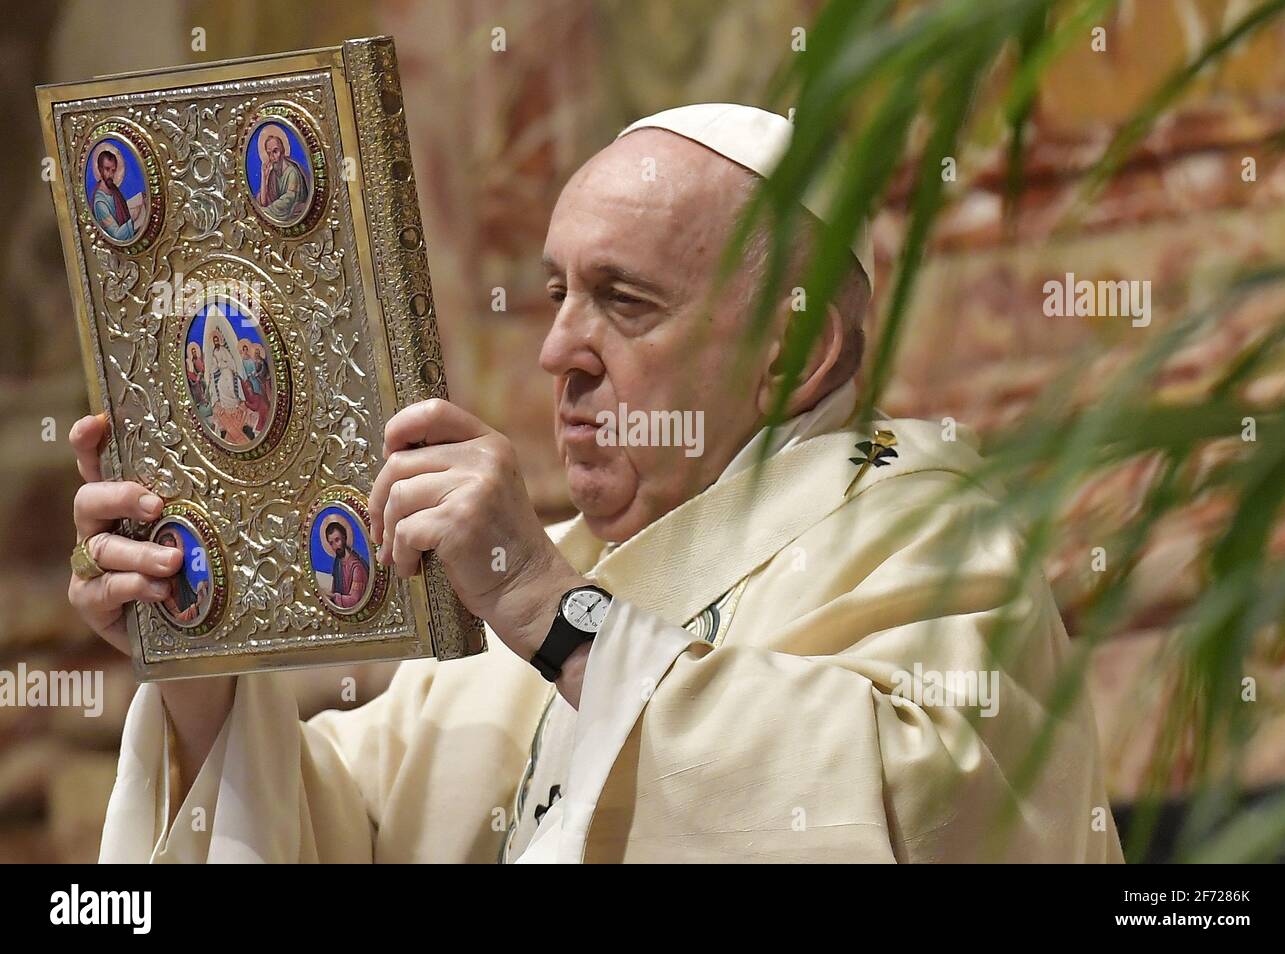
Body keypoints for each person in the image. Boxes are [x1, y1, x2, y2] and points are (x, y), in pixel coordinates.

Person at [69, 104, 1123, 863]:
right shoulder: (547, 580)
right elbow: (333, 827)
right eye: (556, 292)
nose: (559, 351)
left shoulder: (926, 530)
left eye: (624, 301)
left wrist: (548, 609)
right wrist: (200, 657)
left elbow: (912, 807)